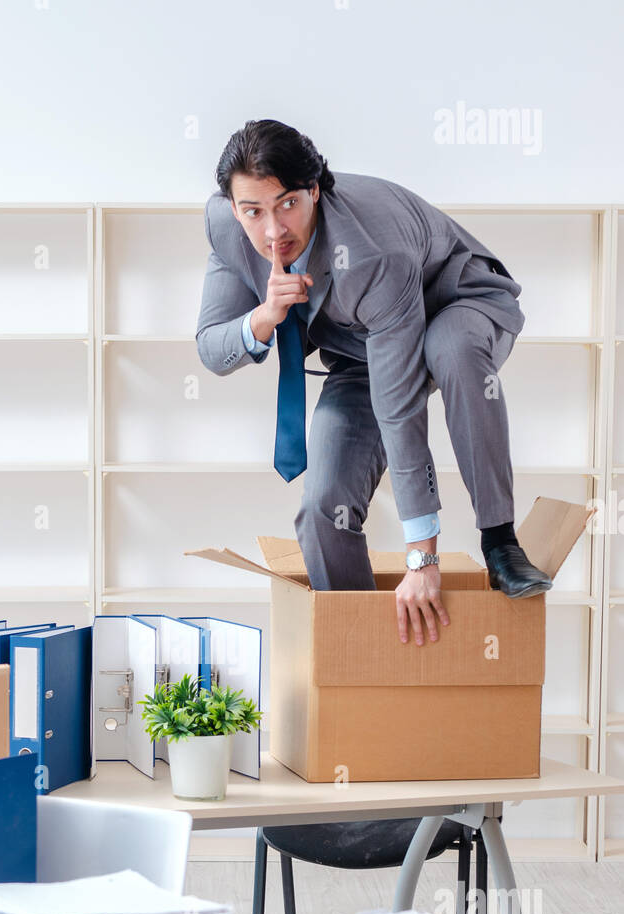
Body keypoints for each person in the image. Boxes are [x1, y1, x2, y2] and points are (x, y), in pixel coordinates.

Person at [195, 119, 552, 647]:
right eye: (253, 211)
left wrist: (422, 557)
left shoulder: (370, 252)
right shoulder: (226, 226)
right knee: (322, 509)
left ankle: (500, 541)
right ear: (232, 207)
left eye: (288, 203)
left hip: (457, 303)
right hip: (361, 351)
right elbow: (211, 347)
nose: (273, 231)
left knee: (448, 348)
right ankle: (364, 654)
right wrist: (264, 316)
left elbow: (399, 408)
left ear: (314, 189)